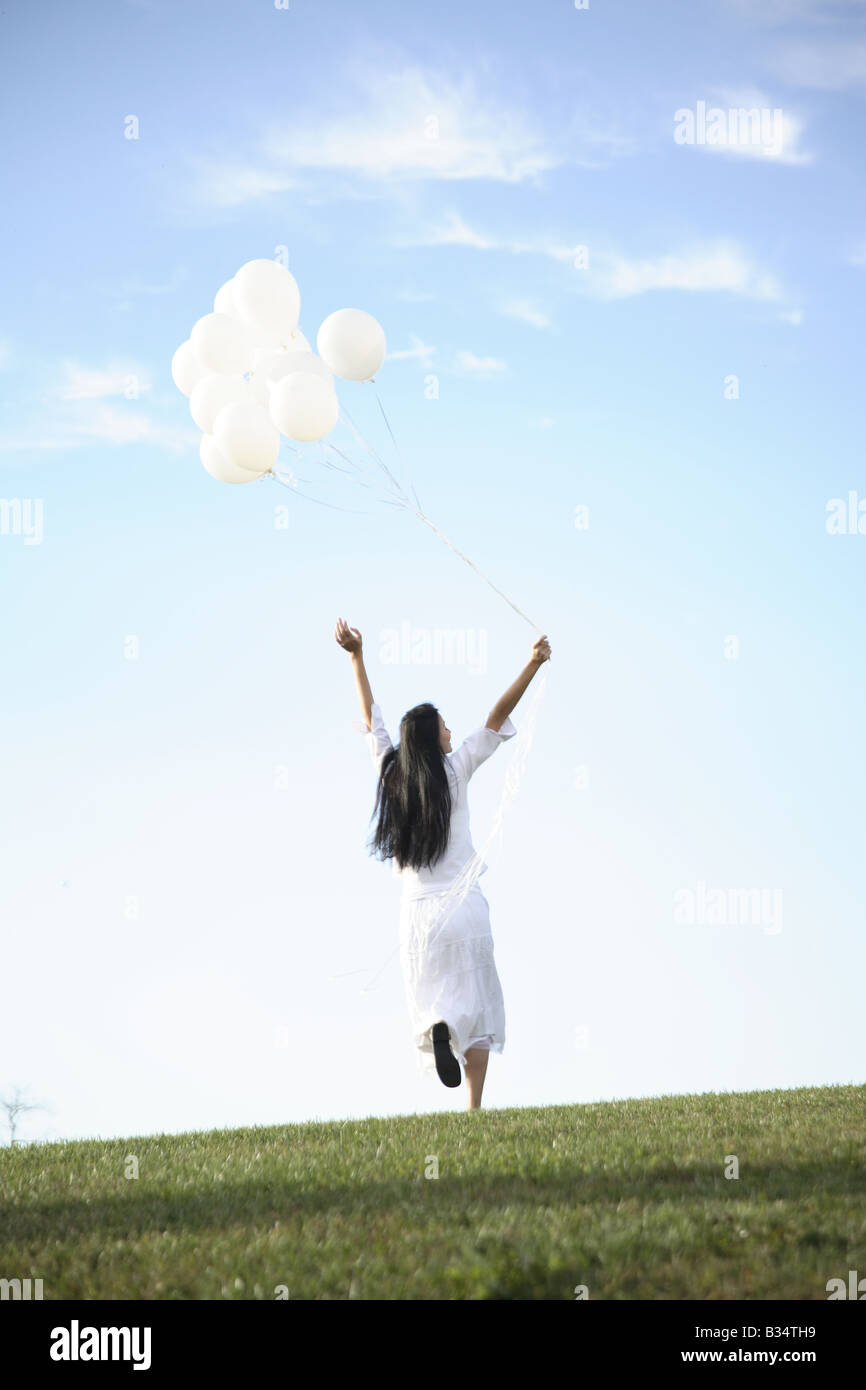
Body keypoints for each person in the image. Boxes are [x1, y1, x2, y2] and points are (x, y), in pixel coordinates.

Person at [335, 617, 551, 1110]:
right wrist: (533, 663)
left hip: (417, 920)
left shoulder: (391, 778)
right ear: (435, 739)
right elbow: (497, 716)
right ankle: (474, 1107)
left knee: (441, 1005)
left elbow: (374, 722)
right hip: (465, 909)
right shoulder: (456, 769)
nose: (453, 730)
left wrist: (356, 656)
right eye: (446, 725)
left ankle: (438, 1028)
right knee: (478, 1009)